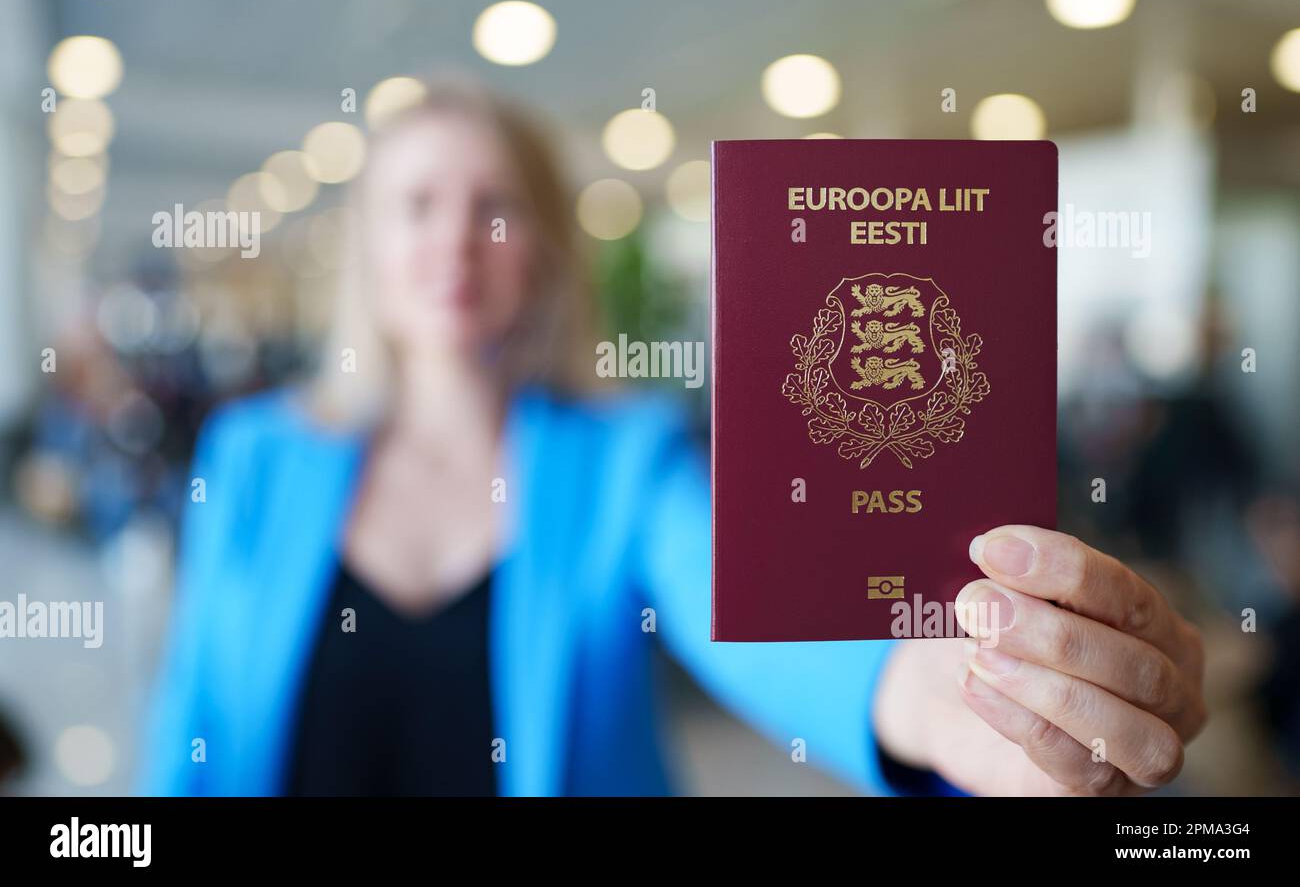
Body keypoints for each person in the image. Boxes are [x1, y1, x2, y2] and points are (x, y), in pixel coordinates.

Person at [138, 75, 1206, 796]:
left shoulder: (621, 461)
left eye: (494, 207)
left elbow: (755, 616)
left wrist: (940, 705)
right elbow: (186, 732)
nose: (455, 240)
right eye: (417, 204)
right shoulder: (252, 459)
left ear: (546, 251)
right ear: (369, 243)